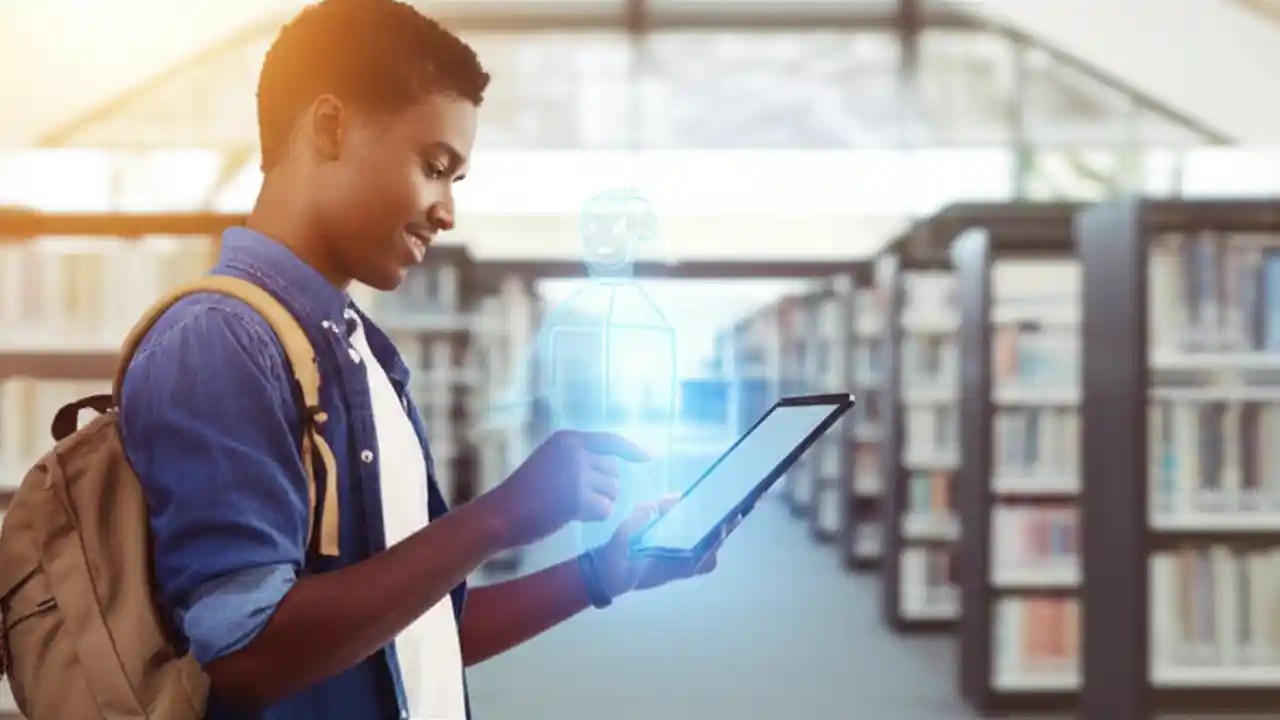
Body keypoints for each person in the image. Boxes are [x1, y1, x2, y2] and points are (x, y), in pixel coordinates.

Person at [118, 1, 724, 718]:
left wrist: (601, 573)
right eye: (435, 167)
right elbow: (249, 655)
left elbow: (415, 632)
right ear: (329, 126)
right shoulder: (218, 341)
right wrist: (498, 519)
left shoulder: (360, 353)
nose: (447, 211)